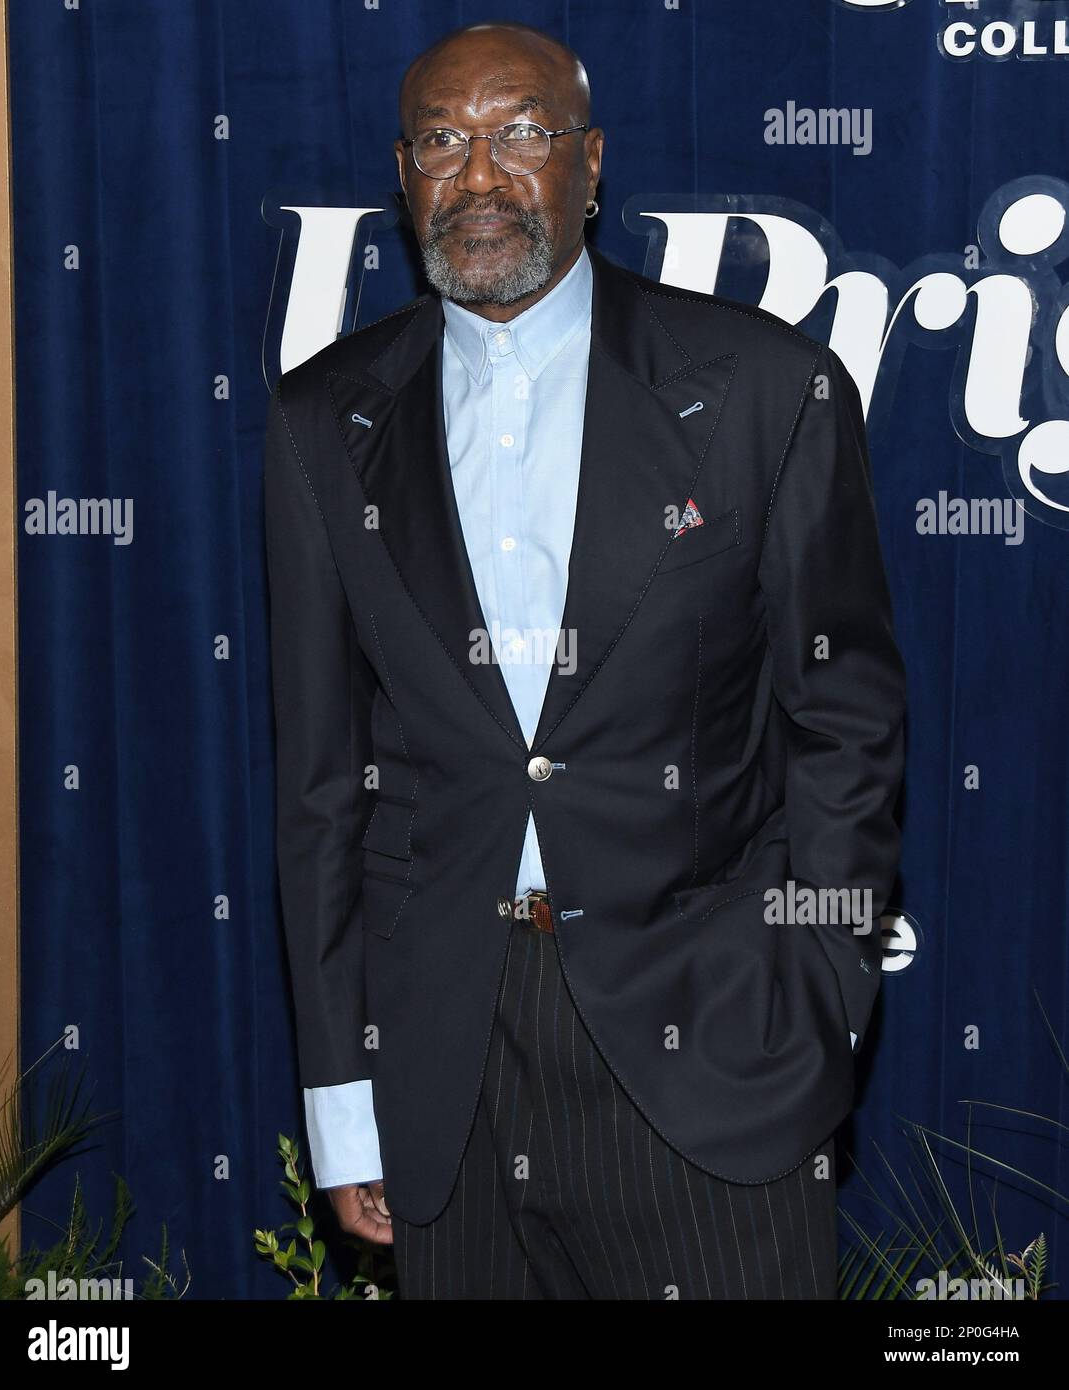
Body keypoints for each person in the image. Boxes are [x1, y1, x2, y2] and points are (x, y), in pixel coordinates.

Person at [263, 19, 906, 1300]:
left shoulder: (764, 388)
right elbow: (320, 785)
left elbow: (843, 722)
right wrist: (346, 1095)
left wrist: (816, 1000)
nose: (482, 175)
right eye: (444, 140)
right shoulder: (322, 420)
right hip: (448, 1067)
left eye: (522, 133)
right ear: (404, 175)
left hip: (713, 1049)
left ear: (591, 164)